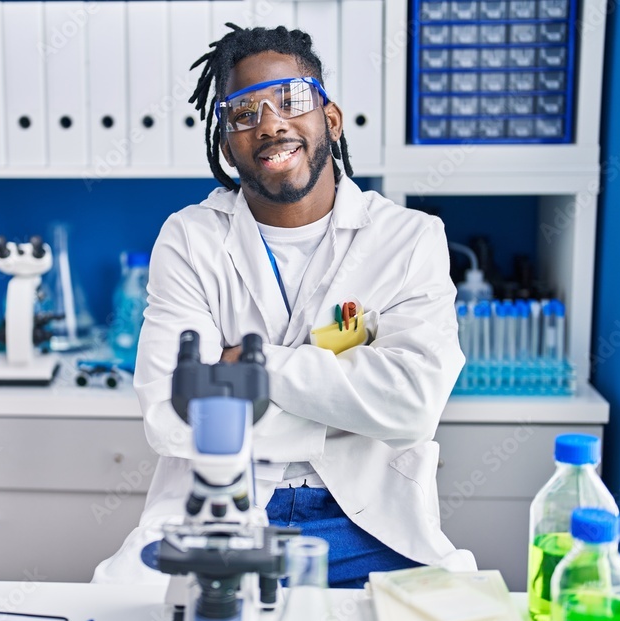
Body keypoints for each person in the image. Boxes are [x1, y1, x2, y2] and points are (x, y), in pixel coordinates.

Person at [93, 24, 475, 587]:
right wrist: (345, 408)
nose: (270, 123)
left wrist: (245, 368)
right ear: (227, 141)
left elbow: (411, 406)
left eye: (292, 99)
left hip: (371, 526)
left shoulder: (409, 238)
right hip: (220, 519)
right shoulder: (190, 238)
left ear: (332, 118)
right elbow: (170, 416)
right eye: (244, 112)